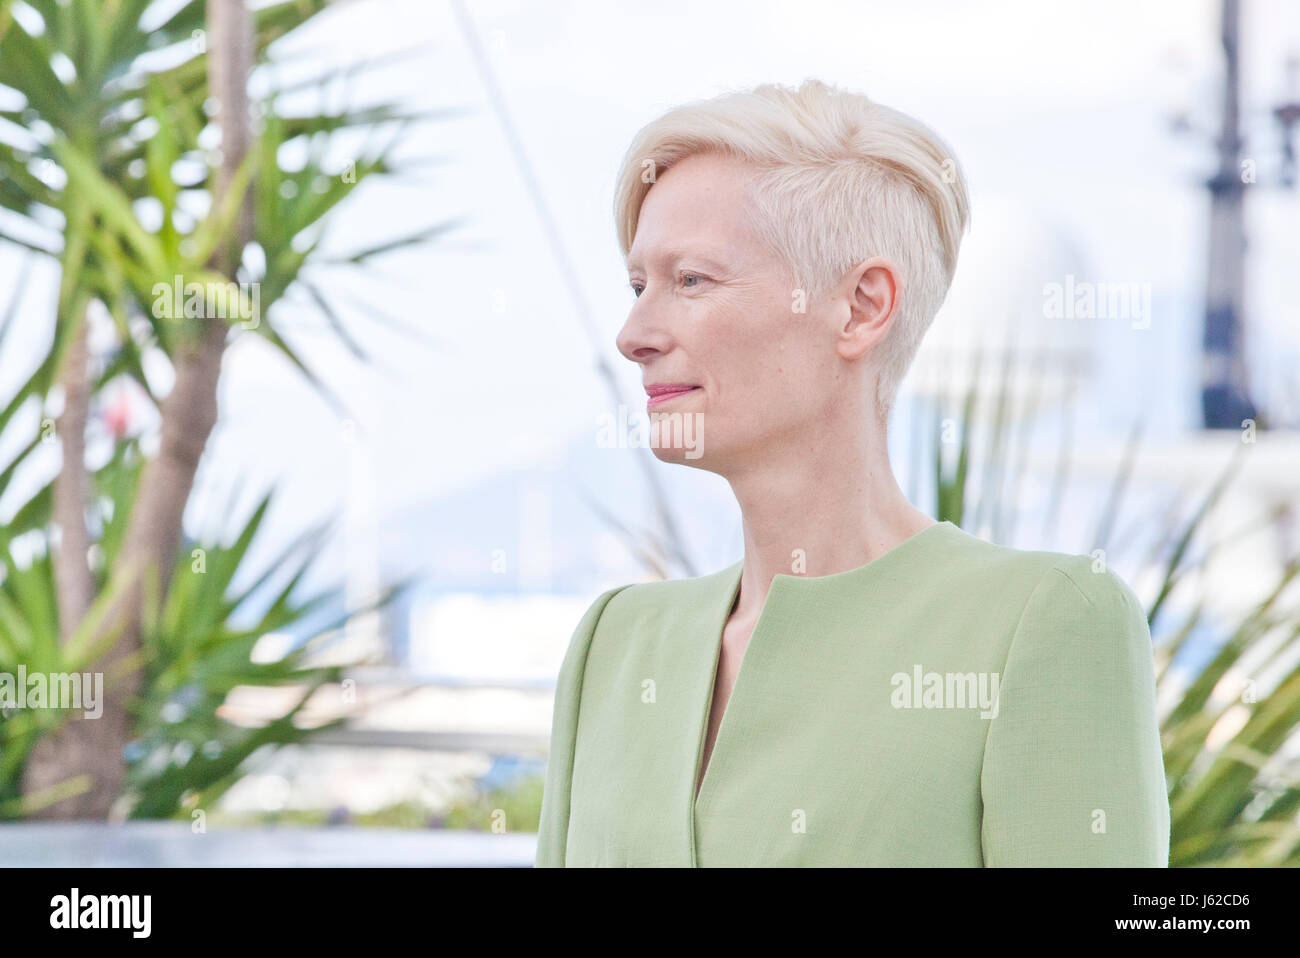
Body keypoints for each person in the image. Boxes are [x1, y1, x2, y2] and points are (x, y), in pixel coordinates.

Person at [536, 79, 1169, 867]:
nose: (634, 333)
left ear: (863, 306)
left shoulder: (1044, 624)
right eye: (638, 285)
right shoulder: (614, 645)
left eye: (690, 280)